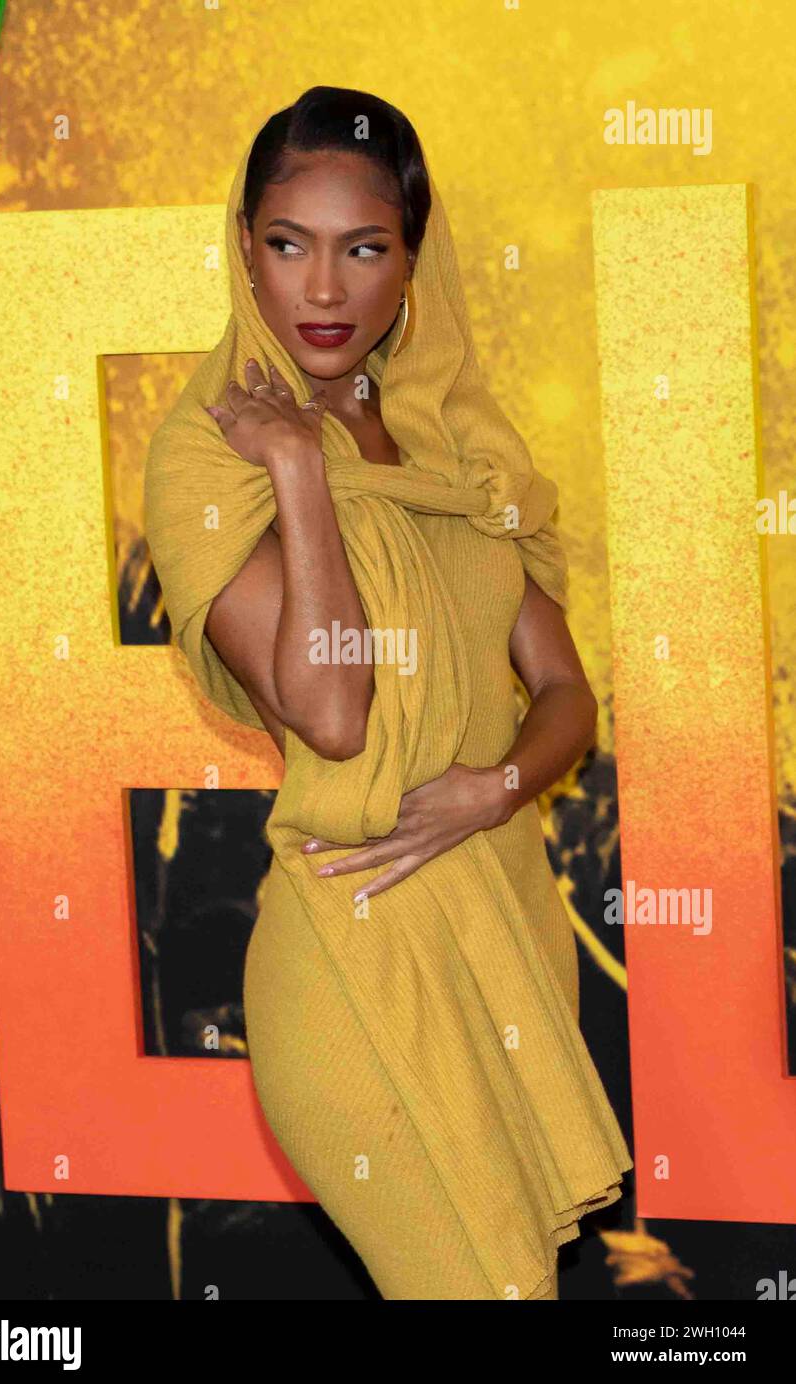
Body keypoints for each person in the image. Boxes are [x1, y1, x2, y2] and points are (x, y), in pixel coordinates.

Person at [144, 85, 633, 1301]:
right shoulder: (211, 448)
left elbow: (563, 688)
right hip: (354, 955)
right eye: (285, 245)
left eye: (362, 248)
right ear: (241, 246)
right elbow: (332, 711)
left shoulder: (457, 448)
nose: (321, 290)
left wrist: (496, 787)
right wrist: (302, 473)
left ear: (410, 258)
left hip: (497, 919)